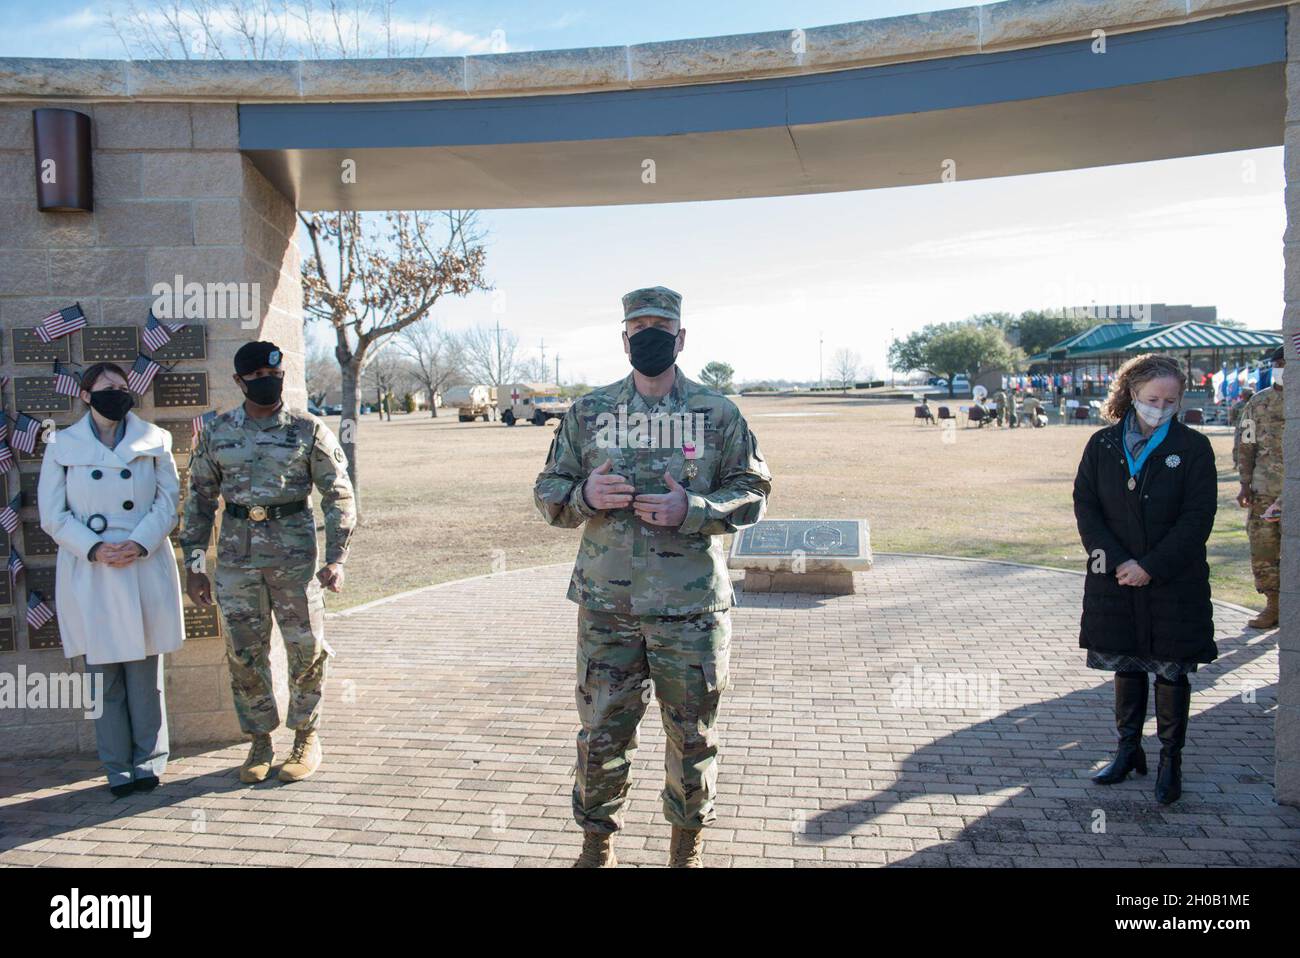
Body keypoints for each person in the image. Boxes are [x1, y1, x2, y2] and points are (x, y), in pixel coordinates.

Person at [534, 286, 772, 868]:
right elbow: (548, 490)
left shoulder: (718, 414)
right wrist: (584, 494)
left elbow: (754, 491)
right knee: (601, 735)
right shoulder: (590, 413)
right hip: (608, 608)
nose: (649, 336)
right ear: (624, 340)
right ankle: (596, 843)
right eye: (638, 327)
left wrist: (694, 510)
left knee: (692, 735)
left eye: (660, 327)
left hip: (690, 611)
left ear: (681, 337)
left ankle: (685, 846)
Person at [180, 341, 356, 784]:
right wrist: (195, 565)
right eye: (256, 376)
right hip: (238, 562)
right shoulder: (218, 432)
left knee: (306, 649)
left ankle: (305, 736)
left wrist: (336, 557)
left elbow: (338, 495)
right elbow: (199, 502)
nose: (267, 381)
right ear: (240, 382)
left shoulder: (307, 429)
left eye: (273, 373)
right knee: (244, 653)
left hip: (294, 560)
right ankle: (259, 739)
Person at [1073, 353, 1217, 805]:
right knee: (1127, 662)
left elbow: (1197, 518)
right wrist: (1117, 561)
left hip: (1172, 581)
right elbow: (1087, 508)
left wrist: (1150, 565)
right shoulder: (1102, 445)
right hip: (1113, 578)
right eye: (1152, 397)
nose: (1160, 406)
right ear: (1132, 392)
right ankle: (1127, 750)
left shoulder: (1193, 447)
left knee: (1171, 670)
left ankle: (1170, 761)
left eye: (1170, 399)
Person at [38, 362, 186, 797]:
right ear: (85, 395)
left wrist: (138, 543)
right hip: (92, 569)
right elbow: (52, 513)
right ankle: (116, 765)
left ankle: (149, 759)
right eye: (106, 389)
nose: (116, 394)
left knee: (145, 674)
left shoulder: (155, 439)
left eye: (122, 387)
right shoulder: (62, 445)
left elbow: (167, 502)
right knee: (103, 676)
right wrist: (94, 547)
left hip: (142, 562)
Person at [1233, 346, 1283, 629]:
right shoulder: (1258, 403)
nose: (1283, 368)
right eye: (1278, 363)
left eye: (1288, 362)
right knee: (1263, 550)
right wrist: (1244, 483)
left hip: (1294, 493)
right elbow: (1246, 444)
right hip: (1263, 490)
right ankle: (1273, 606)